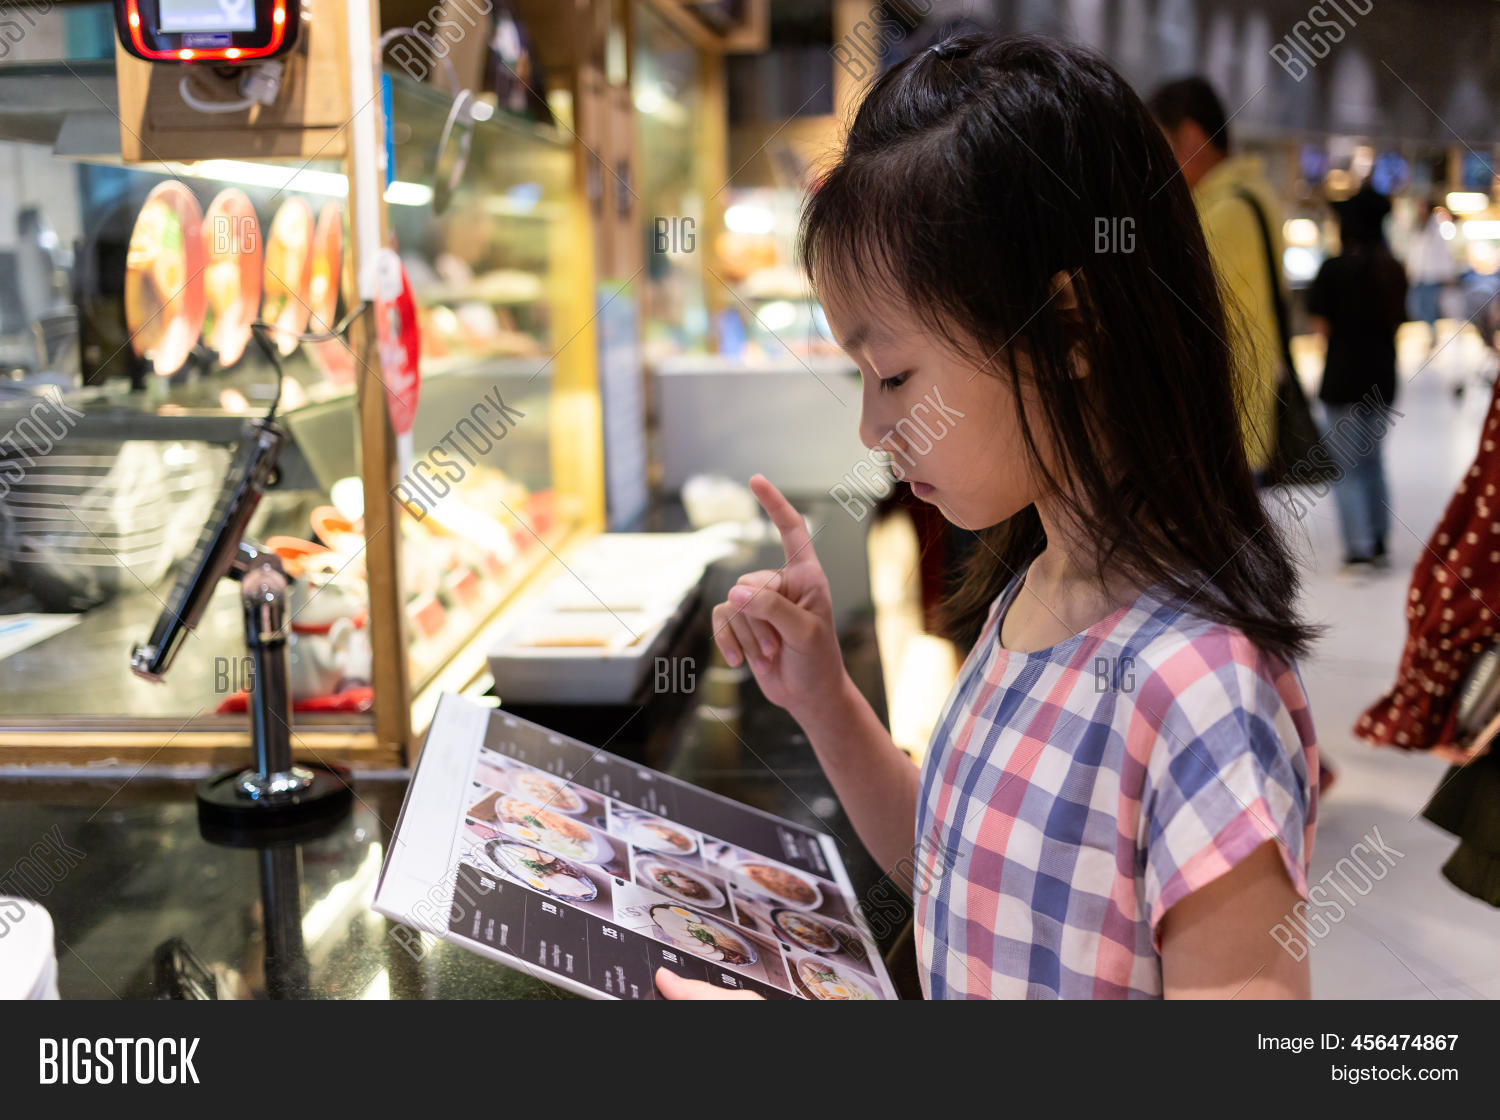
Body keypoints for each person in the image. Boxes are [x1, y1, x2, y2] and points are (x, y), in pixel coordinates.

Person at [658, 34, 1320, 1000]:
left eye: (893, 376)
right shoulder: (1038, 588)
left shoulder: (1200, 691)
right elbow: (964, 870)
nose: (875, 426)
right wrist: (825, 701)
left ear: (1065, 330)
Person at [1148, 76, 1286, 482]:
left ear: (1190, 136)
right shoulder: (1254, 193)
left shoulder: (1225, 213)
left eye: (1160, 143)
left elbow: (1176, 312)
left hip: (1223, 429)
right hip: (1242, 419)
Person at [1306, 184, 1408, 576]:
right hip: (1383, 380)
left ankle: (1360, 551)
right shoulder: (1392, 268)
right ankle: (1378, 540)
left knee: (1346, 468)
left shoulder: (1333, 270)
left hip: (1343, 380)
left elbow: (1321, 325)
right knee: (1373, 463)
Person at [1406, 199, 1456, 354]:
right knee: (1416, 307)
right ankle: (1430, 335)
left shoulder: (1437, 227)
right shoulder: (1418, 228)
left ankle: (1433, 337)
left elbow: (1443, 252)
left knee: (1429, 309)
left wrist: (1447, 273)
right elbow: (1415, 253)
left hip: (1431, 276)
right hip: (1419, 276)